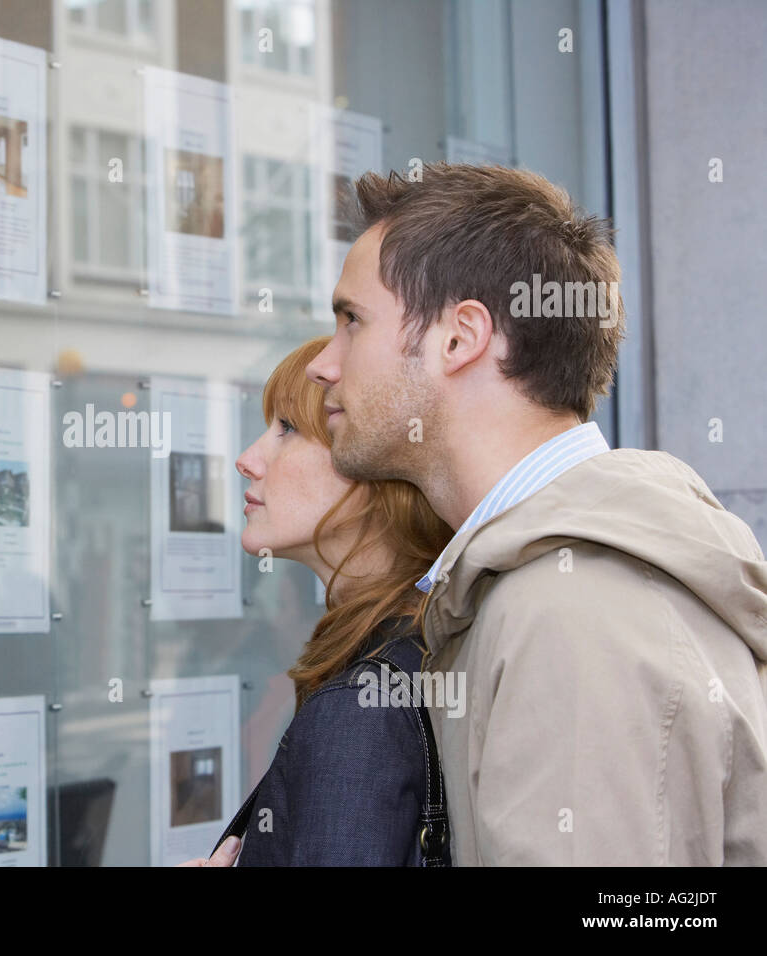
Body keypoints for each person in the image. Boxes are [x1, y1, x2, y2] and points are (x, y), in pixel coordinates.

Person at [304, 161, 767, 864]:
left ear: (460, 338)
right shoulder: (547, 580)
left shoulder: (571, 609)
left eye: (351, 321)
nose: (323, 364)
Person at [179, 336, 454, 866]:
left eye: (288, 429)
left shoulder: (359, 706)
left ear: (371, 470)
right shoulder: (424, 649)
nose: (247, 459)